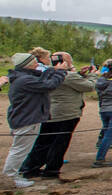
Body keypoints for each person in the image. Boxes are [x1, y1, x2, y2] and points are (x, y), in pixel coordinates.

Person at [21, 52, 95, 180]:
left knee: (43, 142)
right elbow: (89, 86)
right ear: (66, 62)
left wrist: (80, 74)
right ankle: (52, 170)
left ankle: (30, 168)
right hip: (66, 113)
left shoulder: (48, 73)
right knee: (60, 143)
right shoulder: (68, 76)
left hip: (50, 111)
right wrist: (93, 75)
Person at [4, 52, 70, 190]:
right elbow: (49, 85)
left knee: (21, 149)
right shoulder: (25, 80)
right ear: (28, 65)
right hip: (27, 119)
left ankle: (12, 176)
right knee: (20, 150)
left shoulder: (23, 77)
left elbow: (42, 78)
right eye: (34, 62)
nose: (37, 64)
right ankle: (9, 177)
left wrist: (54, 70)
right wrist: (61, 72)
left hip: (25, 117)